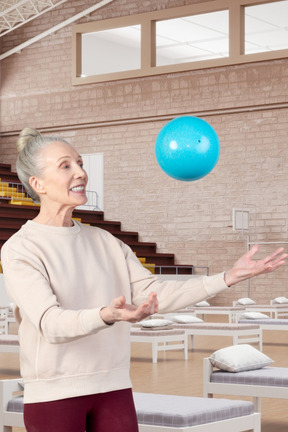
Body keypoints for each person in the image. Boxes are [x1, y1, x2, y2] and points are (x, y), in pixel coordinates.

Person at [1, 128, 286, 432]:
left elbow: (153, 293)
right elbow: (50, 324)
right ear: (37, 183)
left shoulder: (106, 241)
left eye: (81, 163)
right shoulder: (21, 248)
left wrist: (227, 278)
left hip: (113, 386)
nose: (81, 172)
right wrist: (105, 316)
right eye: (66, 165)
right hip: (53, 395)